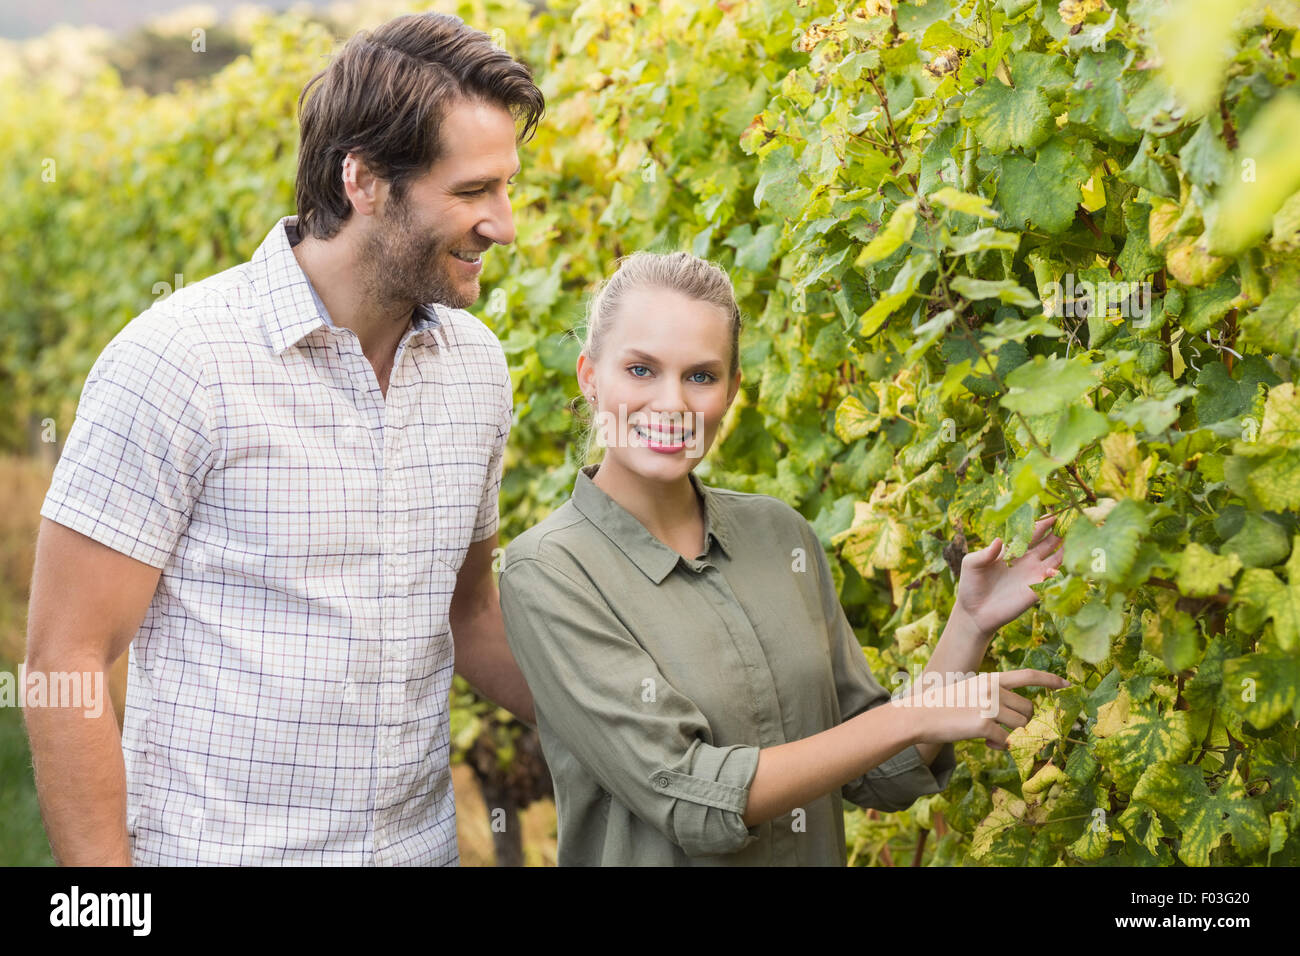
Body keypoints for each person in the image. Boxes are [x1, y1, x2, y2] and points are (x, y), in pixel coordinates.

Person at [24, 12, 543, 866]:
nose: (505, 224)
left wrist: (637, 733)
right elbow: (63, 660)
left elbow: (470, 611)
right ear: (364, 179)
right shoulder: (179, 361)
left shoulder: (476, 369)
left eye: (507, 187)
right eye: (472, 192)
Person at [498, 251, 1068, 865]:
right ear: (589, 375)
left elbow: (879, 771)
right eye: (640, 370)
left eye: (700, 376)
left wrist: (970, 623)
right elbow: (694, 800)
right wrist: (915, 715)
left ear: (732, 389)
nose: (671, 404)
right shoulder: (548, 572)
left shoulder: (780, 536)